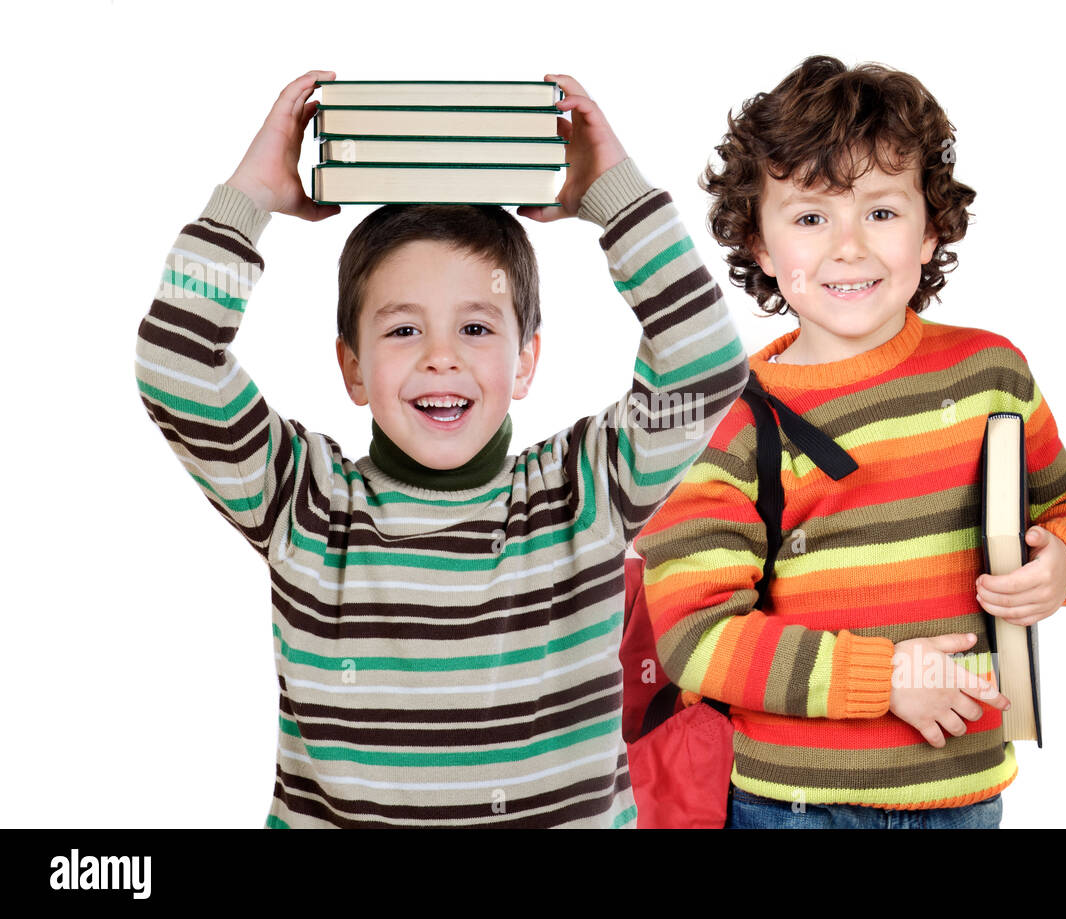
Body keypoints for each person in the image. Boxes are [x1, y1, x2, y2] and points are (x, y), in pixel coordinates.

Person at [135, 70, 748, 828]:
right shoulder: (305, 501)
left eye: (477, 327)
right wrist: (249, 195)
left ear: (525, 362)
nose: (440, 357)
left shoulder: (585, 490)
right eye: (402, 329)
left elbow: (707, 364)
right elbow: (175, 364)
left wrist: (613, 195)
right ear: (352, 367)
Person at [634, 56, 1066, 829]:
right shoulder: (728, 416)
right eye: (810, 217)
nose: (849, 247)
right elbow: (695, 634)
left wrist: (1064, 562)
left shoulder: (990, 372)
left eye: (882, 213)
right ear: (759, 246)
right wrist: (882, 677)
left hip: (962, 795)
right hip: (790, 803)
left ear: (930, 230)